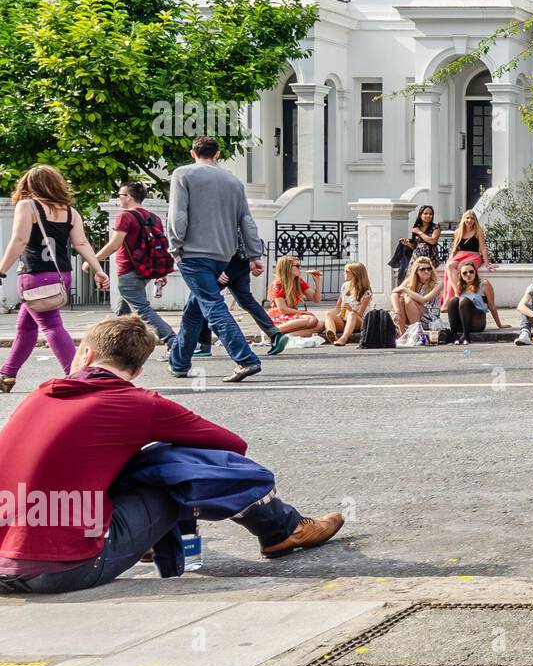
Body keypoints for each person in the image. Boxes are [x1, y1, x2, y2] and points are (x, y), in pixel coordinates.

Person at [0, 316, 344, 594]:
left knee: (125, 465)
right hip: (64, 571)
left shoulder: (41, 396)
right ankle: (284, 529)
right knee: (171, 464)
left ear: (85, 356)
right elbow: (231, 445)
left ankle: (151, 542)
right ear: (136, 371)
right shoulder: (140, 403)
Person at [0, 165, 110, 393]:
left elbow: (19, 240)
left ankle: (77, 376)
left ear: (29, 185)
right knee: (26, 328)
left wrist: (1, 270)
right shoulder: (70, 211)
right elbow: (81, 243)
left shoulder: (27, 205)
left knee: (51, 326)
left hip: (34, 276)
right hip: (61, 277)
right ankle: (7, 374)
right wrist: (99, 270)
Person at [166, 136, 266, 383]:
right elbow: (246, 221)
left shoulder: (183, 174)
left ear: (193, 153)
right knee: (194, 307)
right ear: (217, 154)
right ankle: (179, 362)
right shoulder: (233, 180)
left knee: (211, 304)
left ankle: (246, 359)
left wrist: (174, 245)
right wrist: (254, 254)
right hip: (223, 254)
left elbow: (178, 214)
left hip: (194, 253)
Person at [87, 181, 176, 349]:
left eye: (120, 195)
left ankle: (173, 340)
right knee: (123, 312)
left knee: (142, 310)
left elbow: (114, 244)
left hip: (128, 270)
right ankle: (119, 348)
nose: (119, 199)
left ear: (128, 197)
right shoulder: (154, 218)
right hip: (145, 270)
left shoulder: (125, 216)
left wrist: (92, 259)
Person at [191, 227, 291, 359]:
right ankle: (275, 334)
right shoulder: (235, 209)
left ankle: (203, 344)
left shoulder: (216, 211)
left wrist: (217, 269)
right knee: (246, 300)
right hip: (243, 260)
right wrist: (255, 259)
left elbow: (217, 239)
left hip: (230, 261)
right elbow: (250, 231)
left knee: (204, 298)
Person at [442, 262, 506, 345]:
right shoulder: (460, 287)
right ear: (461, 275)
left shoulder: (484, 284)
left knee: (464, 301)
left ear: (475, 272)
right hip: (461, 324)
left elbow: (491, 305)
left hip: (477, 323)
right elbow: (453, 307)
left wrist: (499, 324)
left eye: (471, 271)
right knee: (453, 300)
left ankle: (466, 335)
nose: (468, 274)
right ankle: (454, 334)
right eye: (464, 273)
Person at [441, 210, 492, 304]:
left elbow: (483, 248)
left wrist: (487, 263)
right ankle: (457, 293)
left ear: (475, 220)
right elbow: (455, 248)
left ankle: (450, 299)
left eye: (472, 218)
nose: (469, 220)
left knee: (461, 267)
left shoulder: (478, 231)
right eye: (467, 218)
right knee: (449, 266)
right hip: (460, 255)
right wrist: (450, 258)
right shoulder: (458, 232)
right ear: (464, 219)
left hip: (473, 256)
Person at [269, 255, 325, 336]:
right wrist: (304, 313)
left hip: (291, 315)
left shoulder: (298, 282)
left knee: (321, 325)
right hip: (279, 316)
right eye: (297, 266)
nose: (300, 268)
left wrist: (317, 282)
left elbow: (316, 300)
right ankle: (272, 332)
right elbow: (282, 309)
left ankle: (285, 337)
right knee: (311, 320)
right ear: (287, 268)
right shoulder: (278, 284)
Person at [324, 262, 373, 345]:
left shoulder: (366, 292)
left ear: (355, 274)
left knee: (351, 315)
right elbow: (338, 308)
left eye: (347, 272)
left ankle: (344, 338)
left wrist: (350, 309)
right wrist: (329, 316)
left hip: (358, 321)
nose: (344, 273)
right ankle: (332, 335)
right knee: (328, 313)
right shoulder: (345, 286)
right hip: (344, 319)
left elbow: (360, 314)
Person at [391, 256, 440, 332]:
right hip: (411, 313)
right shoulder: (410, 281)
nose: (426, 271)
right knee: (400, 299)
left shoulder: (438, 283)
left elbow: (423, 300)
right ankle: (402, 333)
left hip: (430, 317)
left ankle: (416, 333)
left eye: (429, 269)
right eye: (422, 269)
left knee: (408, 299)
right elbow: (394, 293)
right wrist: (397, 312)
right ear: (416, 271)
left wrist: (405, 289)